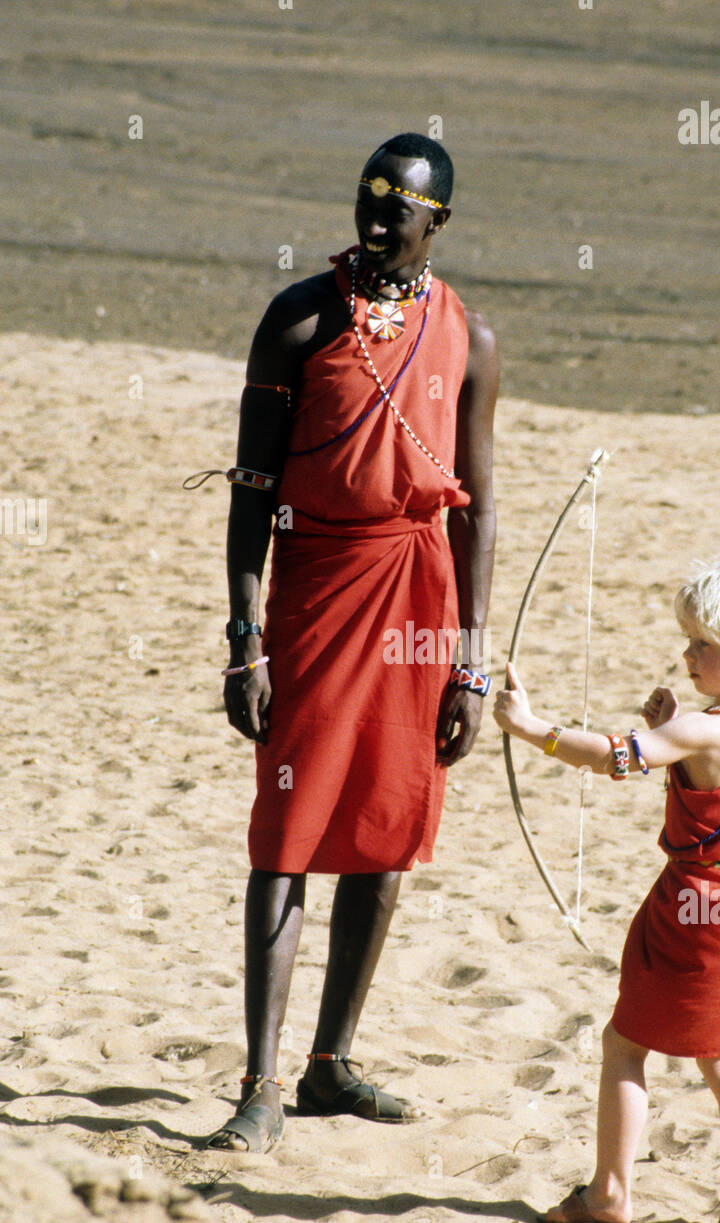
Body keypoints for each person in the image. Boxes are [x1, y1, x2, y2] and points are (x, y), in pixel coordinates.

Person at [206, 133, 498, 1152]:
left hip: (420, 596)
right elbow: (250, 498)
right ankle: (259, 1084)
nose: (377, 219)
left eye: (400, 207)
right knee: (284, 837)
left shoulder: (470, 336)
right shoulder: (296, 322)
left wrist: (470, 657)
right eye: (368, 199)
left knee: (385, 825)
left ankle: (330, 1064)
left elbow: (478, 509)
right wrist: (246, 637)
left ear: (438, 223)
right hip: (316, 593)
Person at [493, 556, 720, 1223]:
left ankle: (610, 1191)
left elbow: (612, 754)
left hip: (695, 912)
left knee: (622, 1044)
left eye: (702, 644)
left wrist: (529, 728)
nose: (686, 653)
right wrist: (677, 726)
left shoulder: (706, 731)